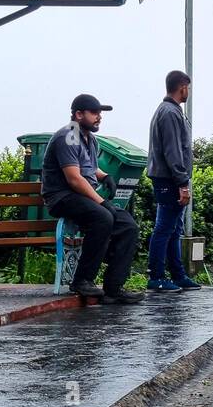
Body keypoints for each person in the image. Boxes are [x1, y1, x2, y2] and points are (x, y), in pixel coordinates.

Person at [41, 94, 142, 302]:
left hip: (81, 197)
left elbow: (90, 167)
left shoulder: (90, 139)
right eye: (94, 113)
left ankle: (114, 288)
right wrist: (103, 202)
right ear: (78, 114)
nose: (99, 117)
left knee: (128, 225)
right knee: (103, 217)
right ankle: (82, 280)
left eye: (100, 114)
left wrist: (105, 176)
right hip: (62, 196)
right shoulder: (68, 136)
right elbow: (74, 179)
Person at [146, 70, 200, 292]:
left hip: (170, 178)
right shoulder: (169, 113)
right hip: (168, 179)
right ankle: (156, 277)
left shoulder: (171, 111)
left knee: (173, 228)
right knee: (164, 228)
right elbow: (173, 151)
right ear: (183, 87)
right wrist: (182, 184)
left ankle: (177, 275)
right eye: (188, 87)